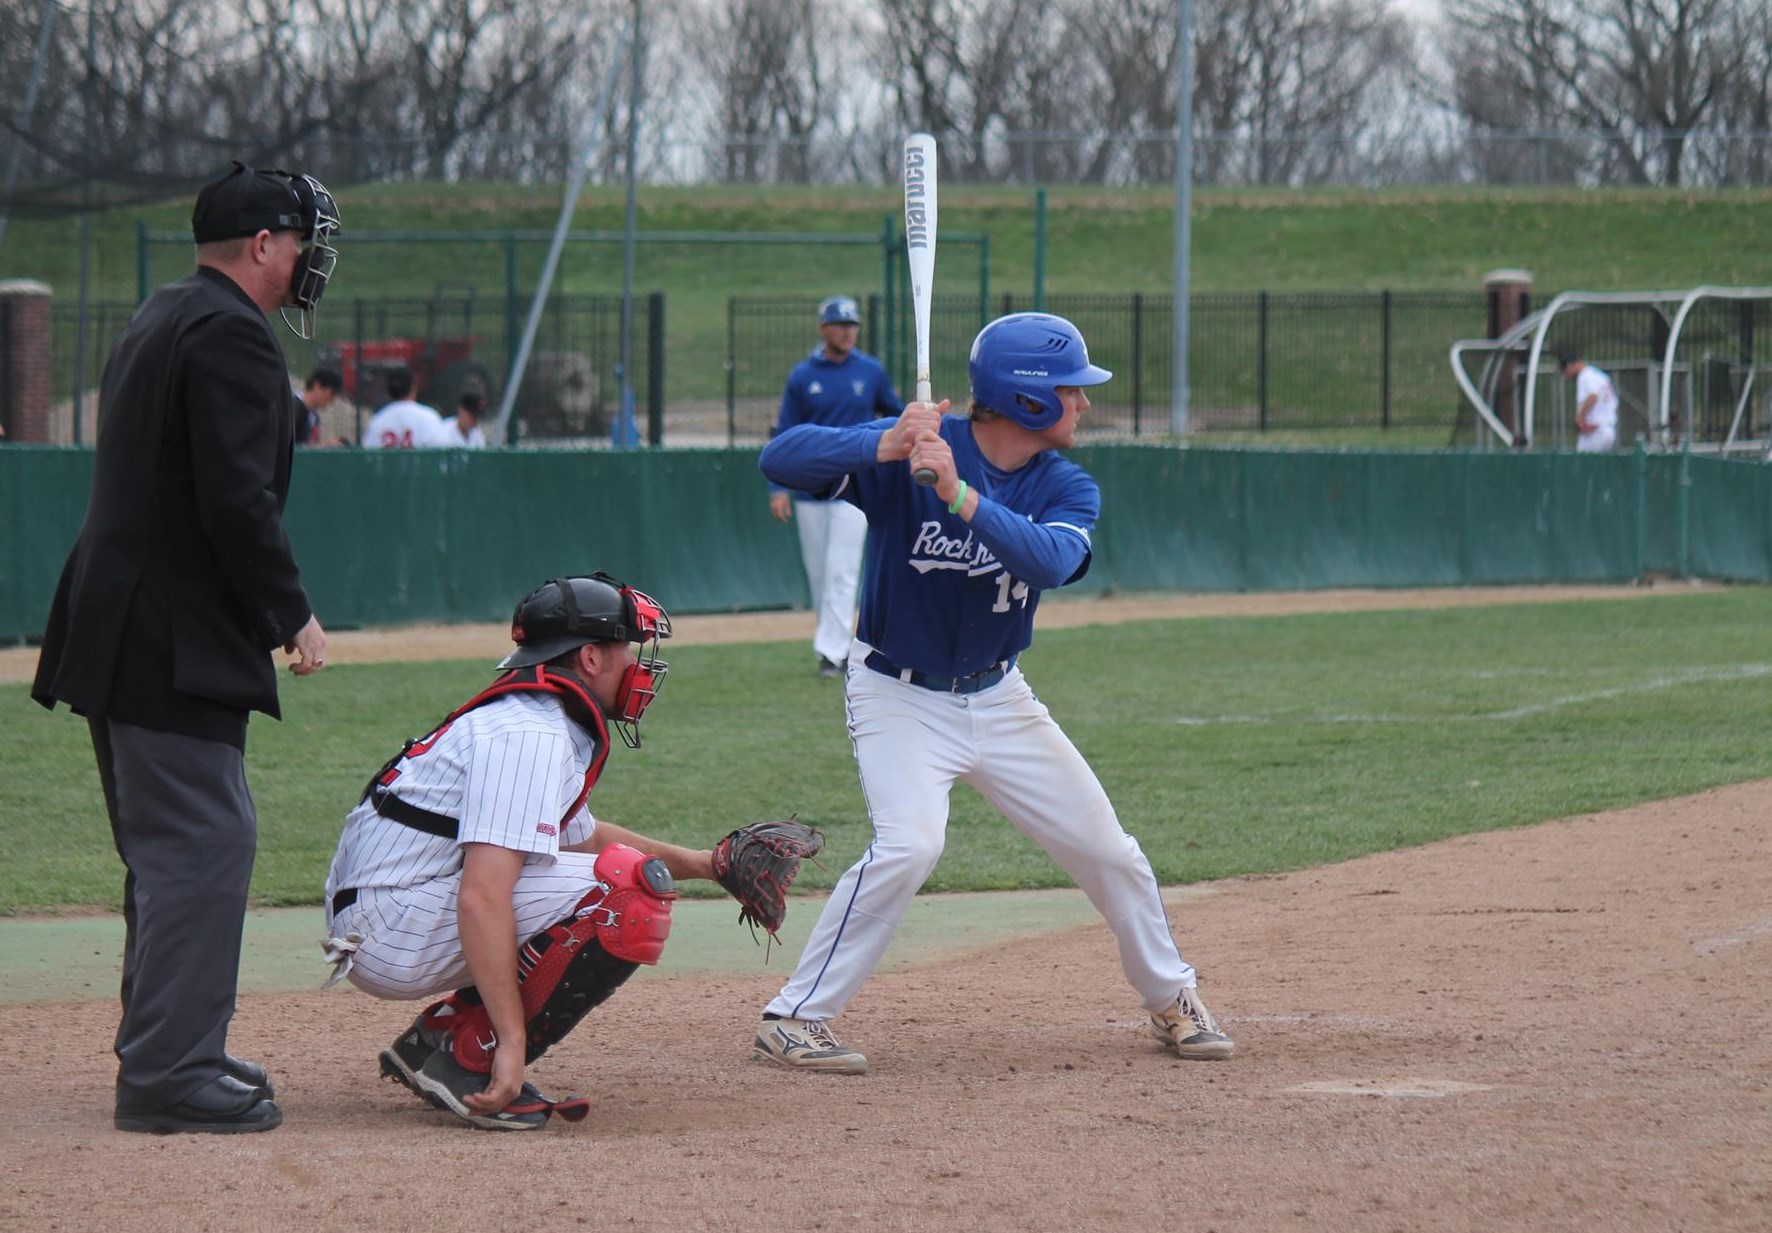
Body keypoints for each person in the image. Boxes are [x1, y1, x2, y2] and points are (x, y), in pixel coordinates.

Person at [751, 311, 1234, 1074]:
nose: (1084, 404)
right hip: (898, 696)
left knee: (1109, 850)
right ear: (1031, 398)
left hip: (1001, 698)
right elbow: (779, 458)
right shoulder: (915, 448)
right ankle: (796, 1016)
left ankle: (1173, 997)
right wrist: (879, 441)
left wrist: (961, 496)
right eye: (1073, 390)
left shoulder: (1063, 482)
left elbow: (1049, 560)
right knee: (911, 844)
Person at [31, 160, 342, 1133]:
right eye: (298, 241)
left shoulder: (162, 314)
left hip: (115, 621)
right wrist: (291, 612)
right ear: (261, 246)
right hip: (169, 634)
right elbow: (233, 500)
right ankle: (168, 1072)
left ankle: (167, 1044)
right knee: (204, 844)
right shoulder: (232, 339)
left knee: (170, 849)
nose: (307, 258)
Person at [321, 573, 730, 1131]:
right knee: (627, 893)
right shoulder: (529, 735)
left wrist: (709, 865)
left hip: (389, 909)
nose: (636, 667)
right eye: (625, 651)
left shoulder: (534, 718)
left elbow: (583, 840)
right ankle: (475, 1057)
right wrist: (514, 1041)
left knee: (619, 875)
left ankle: (437, 1037)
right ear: (590, 658)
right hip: (394, 928)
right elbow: (482, 897)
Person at [768, 295, 903, 678]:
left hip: (855, 484)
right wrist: (778, 487)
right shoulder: (803, 374)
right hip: (810, 486)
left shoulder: (870, 371)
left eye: (853, 324)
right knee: (819, 572)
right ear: (823, 328)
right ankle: (831, 644)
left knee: (842, 569)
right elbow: (786, 432)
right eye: (840, 324)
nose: (848, 330)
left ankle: (833, 650)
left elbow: (894, 413)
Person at [361, 365, 446, 448]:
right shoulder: (429, 417)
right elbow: (441, 455)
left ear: (388, 390)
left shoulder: (377, 421)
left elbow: (367, 457)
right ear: (413, 388)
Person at [1559, 353, 1618, 452]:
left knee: (1583, 465)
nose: (1568, 376)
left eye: (1566, 371)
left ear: (1570, 365)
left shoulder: (1585, 376)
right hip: (1608, 429)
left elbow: (1593, 396)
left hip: (1594, 432)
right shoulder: (1600, 376)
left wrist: (1579, 416)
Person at [299, 366, 344, 445]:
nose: (332, 400)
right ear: (317, 385)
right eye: (332, 393)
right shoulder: (293, 410)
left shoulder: (313, 415)